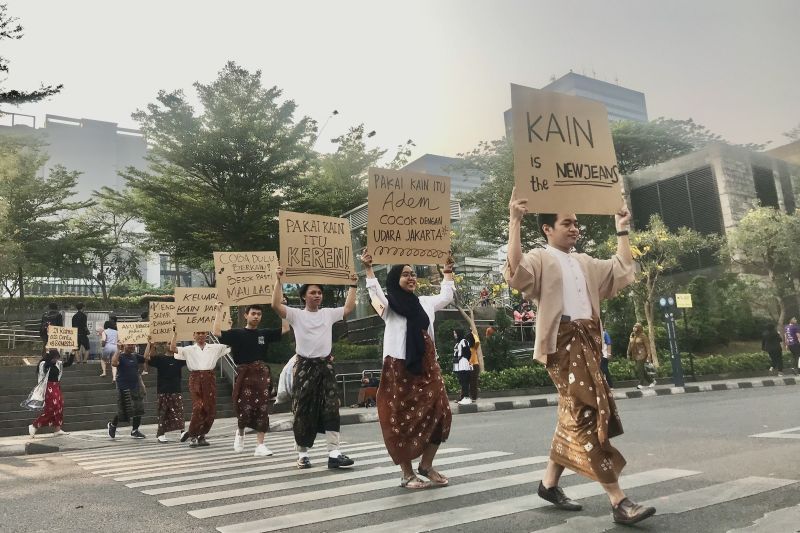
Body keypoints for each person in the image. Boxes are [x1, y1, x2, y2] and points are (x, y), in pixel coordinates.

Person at [505, 187, 655, 525]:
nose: (575, 229)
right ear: (547, 228)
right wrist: (515, 221)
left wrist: (622, 229)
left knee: (573, 412)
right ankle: (618, 501)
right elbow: (515, 273)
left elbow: (621, 269)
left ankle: (548, 484)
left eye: (576, 224)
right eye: (567, 223)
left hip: (589, 341)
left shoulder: (584, 262)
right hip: (562, 344)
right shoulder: (540, 257)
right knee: (588, 413)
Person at [363, 250, 455, 490]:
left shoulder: (425, 303)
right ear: (396, 280)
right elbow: (374, 292)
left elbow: (446, 295)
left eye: (413, 274)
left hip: (428, 367)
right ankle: (407, 474)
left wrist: (447, 270)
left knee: (442, 413)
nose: (411, 277)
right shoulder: (389, 306)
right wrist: (368, 269)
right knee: (402, 420)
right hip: (399, 367)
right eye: (405, 274)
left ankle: (426, 465)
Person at [272, 267, 358, 470]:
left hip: (325, 367)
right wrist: (278, 280)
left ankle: (334, 453)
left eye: (319, 292)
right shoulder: (295, 315)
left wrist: (353, 285)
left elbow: (348, 308)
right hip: (304, 368)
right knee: (303, 410)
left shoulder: (328, 314)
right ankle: (302, 455)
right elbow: (275, 305)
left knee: (332, 408)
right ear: (303, 297)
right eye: (312, 292)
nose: (317, 295)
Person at [213, 303, 289, 457]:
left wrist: (283, 309)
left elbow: (285, 329)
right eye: (253, 313)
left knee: (262, 409)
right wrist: (218, 311)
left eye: (259, 314)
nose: (256, 316)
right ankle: (240, 432)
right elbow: (216, 332)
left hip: (261, 375)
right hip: (244, 376)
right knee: (244, 408)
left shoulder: (264, 333)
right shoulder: (237, 333)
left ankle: (260, 445)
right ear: (245, 315)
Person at [170, 330, 230, 447]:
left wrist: (227, 328)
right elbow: (172, 349)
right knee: (198, 406)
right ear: (193, 335)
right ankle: (192, 435)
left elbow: (229, 344)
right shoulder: (188, 349)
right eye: (198, 333)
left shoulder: (215, 347)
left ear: (207, 335)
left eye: (203, 333)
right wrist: (175, 334)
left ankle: (201, 436)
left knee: (209, 409)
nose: (201, 335)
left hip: (209, 378)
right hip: (195, 378)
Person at [145, 340, 187, 444]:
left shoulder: (179, 358)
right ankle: (161, 434)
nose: (171, 345)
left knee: (179, 412)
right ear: (164, 346)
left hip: (176, 389)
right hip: (163, 390)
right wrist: (151, 345)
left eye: (173, 343)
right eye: (169, 343)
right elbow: (148, 358)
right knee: (162, 412)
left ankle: (183, 432)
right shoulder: (160, 358)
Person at [28, 349, 73, 437]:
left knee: (59, 407)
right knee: (52, 408)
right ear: (50, 357)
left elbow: (68, 364)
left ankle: (57, 429)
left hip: (56, 387)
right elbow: (45, 369)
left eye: (57, 358)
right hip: (48, 387)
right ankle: (35, 425)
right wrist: (50, 359)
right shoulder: (44, 364)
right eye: (54, 358)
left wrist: (73, 354)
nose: (56, 360)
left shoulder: (57, 364)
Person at [107, 343, 147, 439]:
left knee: (139, 409)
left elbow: (146, 358)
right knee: (123, 411)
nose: (132, 347)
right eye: (129, 345)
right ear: (124, 346)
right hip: (123, 387)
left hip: (136, 386)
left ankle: (135, 430)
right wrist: (118, 350)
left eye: (133, 345)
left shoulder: (135, 356)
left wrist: (150, 344)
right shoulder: (120, 356)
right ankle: (112, 425)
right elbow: (114, 363)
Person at [627, 323, 656, 389]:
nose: (634, 328)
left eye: (636, 327)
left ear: (639, 328)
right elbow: (630, 345)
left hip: (642, 354)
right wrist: (628, 353)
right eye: (634, 327)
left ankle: (641, 384)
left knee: (639, 369)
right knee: (641, 369)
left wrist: (649, 355)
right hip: (635, 354)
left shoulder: (643, 336)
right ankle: (652, 381)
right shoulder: (632, 335)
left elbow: (647, 346)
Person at [452, 329, 473, 405]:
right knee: (462, 381)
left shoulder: (463, 341)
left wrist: (464, 359)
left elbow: (468, 352)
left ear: (458, 333)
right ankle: (464, 397)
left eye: (455, 333)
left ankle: (466, 398)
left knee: (465, 381)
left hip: (463, 364)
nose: (454, 335)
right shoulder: (458, 342)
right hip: (459, 365)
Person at [468, 328, 482, 401]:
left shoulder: (474, 347)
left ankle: (474, 397)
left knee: (473, 382)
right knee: (470, 382)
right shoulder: (468, 347)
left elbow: (477, 341)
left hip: (474, 365)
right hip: (470, 366)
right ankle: (471, 396)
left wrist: (472, 333)